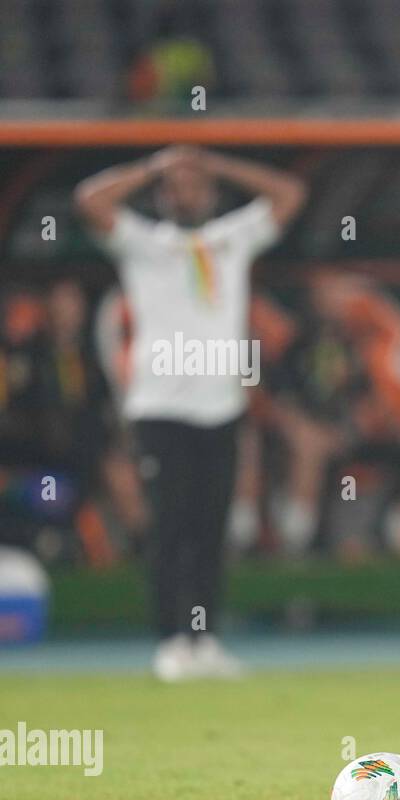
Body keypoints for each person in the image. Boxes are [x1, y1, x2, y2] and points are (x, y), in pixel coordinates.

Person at [75, 144, 306, 681]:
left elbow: (290, 194)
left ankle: (205, 640)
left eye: (196, 185)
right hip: (159, 407)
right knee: (170, 527)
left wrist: (217, 162)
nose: (187, 192)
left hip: (220, 405)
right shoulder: (142, 242)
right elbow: (90, 199)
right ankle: (171, 641)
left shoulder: (232, 239)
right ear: (161, 195)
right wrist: (153, 165)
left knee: (210, 528)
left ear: (212, 192)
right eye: (176, 186)